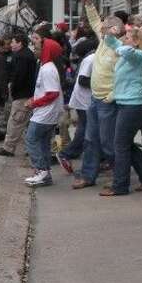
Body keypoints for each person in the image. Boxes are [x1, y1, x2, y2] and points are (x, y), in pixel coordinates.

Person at [100, 25, 142, 197]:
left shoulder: (139, 55)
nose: (123, 40)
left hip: (135, 105)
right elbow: (112, 43)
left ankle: (120, 185)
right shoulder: (130, 53)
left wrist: (120, 42)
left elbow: (125, 51)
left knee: (120, 145)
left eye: (127, 38)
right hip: (129, 103)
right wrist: (108, 34)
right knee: (125, 143)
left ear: (136, 42)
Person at [73, 0, 119, 189]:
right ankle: (88, 176)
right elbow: (94, 21)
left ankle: (120, 176)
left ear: (114, 30)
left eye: (105, 27)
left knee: (109, 142)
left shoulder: (120, 49)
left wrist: (111, 96)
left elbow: (125, 77)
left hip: (108, 100)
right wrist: (88, 3)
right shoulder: (104, 40)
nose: (101, 28)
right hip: (95, 98)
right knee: (91, 138)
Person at [23, 38, 65, 187]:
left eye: (37, 48)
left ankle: (41, 170)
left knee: (31, 139)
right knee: (43, 143)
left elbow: (52, 94)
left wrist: (34, 103)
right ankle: (45, 174)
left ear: (45, 51)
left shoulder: (47, 69)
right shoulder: (46, 66)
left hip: (46, 113)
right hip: (47, 112)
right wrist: (34, 100)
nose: (34, 50)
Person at [58, 36, 97, 178]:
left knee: (88, 131)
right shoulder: (91, 59)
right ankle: (66, 153)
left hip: (86, 101)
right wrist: (100, 83)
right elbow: (82, 80)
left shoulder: (89, 58)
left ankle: (96, 160)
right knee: (86, 131)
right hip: (85, 102)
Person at [0, 31, 37, 158]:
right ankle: (30, 149)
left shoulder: (21, 57)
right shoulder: (27, 54)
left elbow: (19, 76)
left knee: (15, 122)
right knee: (26, 122)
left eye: (13, 42)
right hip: (28, 93)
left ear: (20, 43)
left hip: (22, 95)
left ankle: (8, 148)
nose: (11, 45)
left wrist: (12, 88)